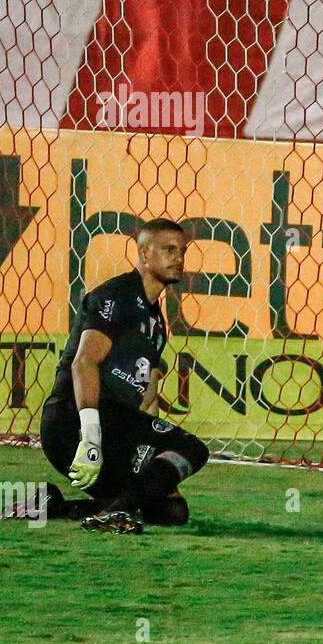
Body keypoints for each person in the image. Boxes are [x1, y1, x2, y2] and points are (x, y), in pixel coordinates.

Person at [37, 218, 208, 534]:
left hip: (117, 428)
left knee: (170, 510)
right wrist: (91, 437)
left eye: (182, 251)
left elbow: (147, 401)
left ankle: (54, 505)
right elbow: (83, 363)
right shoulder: (117, 297)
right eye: (169, 250)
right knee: (194, 449)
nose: (179, 258)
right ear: (144, 254)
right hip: (75, 422)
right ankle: (117, 513)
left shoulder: (156, 323)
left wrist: (152, 455)